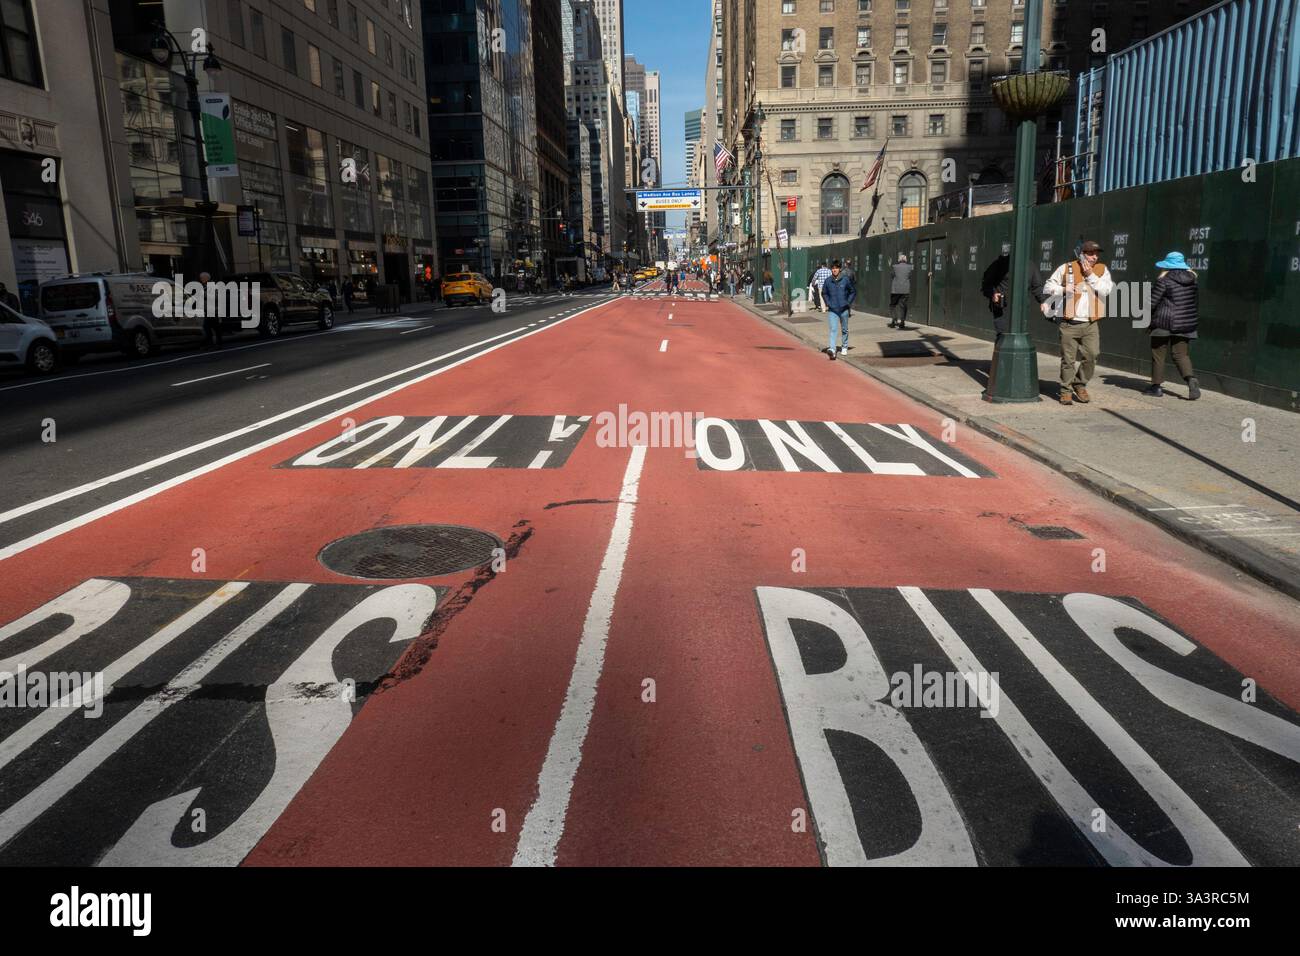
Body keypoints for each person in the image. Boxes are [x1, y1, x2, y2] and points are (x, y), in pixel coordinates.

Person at [1043, 239, 1114, 405]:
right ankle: (1065, 390)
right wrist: (1063, 289)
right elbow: (1048, 287)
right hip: (1069, 323)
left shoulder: (1102, 270)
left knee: (1092, 355)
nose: (1094, 257)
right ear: (1082, 254)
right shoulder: (1067, 268)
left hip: (1091, 323)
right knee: (1068, 359)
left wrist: (1090, 275)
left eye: (1096, 254)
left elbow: (1107, 290)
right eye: (1090, 253)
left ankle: (1079, 384)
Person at [1144, 251, 1201, 400]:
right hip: (1185, 323)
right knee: (1181, 355)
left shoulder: (1164, 280)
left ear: (1167, 266)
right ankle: (1191, 380)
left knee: (1158, 354)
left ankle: (1156, 387)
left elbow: (1152, 302)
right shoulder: (1193, 280)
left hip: (1163, 322)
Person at [981, 253, 1049, 335]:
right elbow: (986, 283)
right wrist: (992, 294)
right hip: (1002, 309)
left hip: (1021, 310)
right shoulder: (1000, 263)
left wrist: (1043, 301)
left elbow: (1037, 286)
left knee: (1019, 335)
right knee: (1002, 337)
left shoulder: (1030, 265)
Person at [821, 260, 856, 360]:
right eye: (832, 268)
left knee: (844, 329)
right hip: (833, 309)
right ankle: (832, 349)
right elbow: (824, 293)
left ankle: (844, 346)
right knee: (833, 329)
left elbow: (852, 291)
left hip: (844, 309)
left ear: (839, 269)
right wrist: (828, 303)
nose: (834, 270)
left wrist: (848, 302)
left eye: (836, 268)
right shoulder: (828, 281)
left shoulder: (845, 280)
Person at [889, 253, 913, 329]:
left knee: (892, 305)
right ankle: (902, 322)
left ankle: (894, 320)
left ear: (899, 260)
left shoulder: (894, 266)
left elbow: (892, 275)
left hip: (895, 289)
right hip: (905, 289)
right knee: (903, 306)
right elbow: (910, 276)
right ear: (905, 260)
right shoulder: (909, 267)